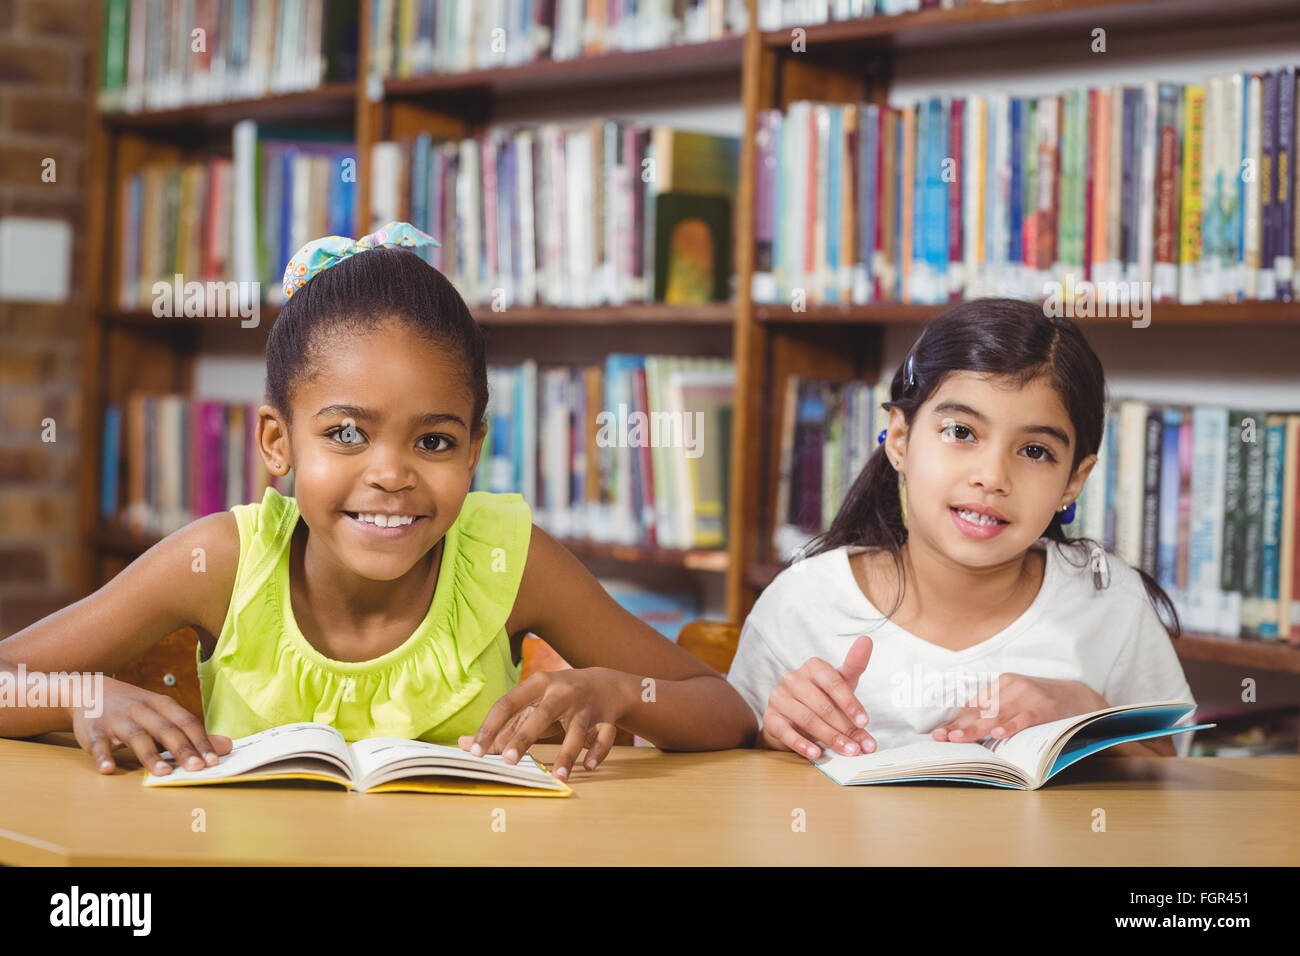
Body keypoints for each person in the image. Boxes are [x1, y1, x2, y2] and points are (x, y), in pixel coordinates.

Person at [0, 222, 756, 783]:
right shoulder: (224, 560)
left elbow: (723, 708)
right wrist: (81, 693)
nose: (392, 474)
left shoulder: (507, 557)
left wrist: (620, 689)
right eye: (348, 433)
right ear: (277, 441)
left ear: (475, 448)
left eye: (434, 443)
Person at [727, 297, 1198, 761]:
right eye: (961, 432)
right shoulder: (802, 604)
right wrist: (773, 737)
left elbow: (1166, 773)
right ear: (900, 438)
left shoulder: (1110, 603)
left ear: (1073, 480)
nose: (992, 478)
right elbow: (734, 767)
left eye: (1035, 451)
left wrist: (1089, 710)